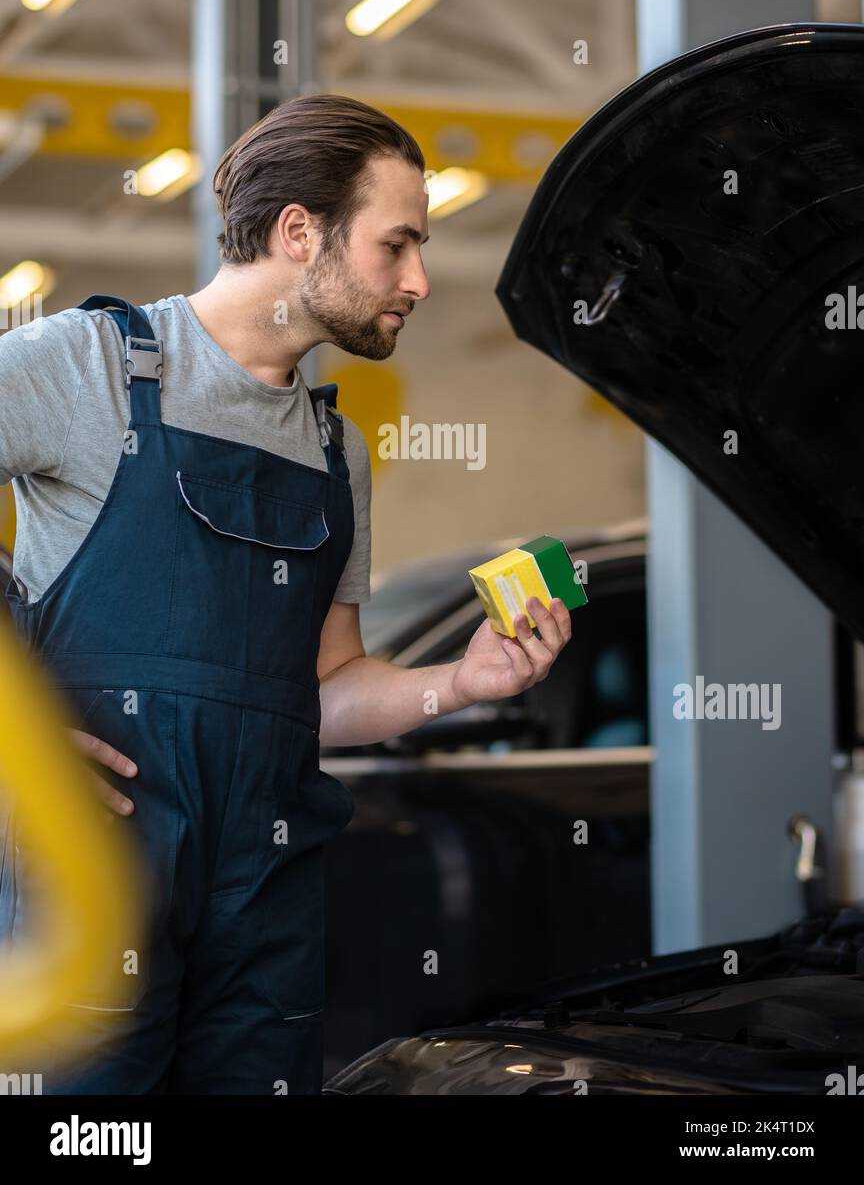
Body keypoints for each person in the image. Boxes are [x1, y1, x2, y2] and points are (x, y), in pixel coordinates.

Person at [0, 94, 572, 1094]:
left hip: (264, 908)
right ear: (299, 231)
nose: (421, 281)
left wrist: (462, 683)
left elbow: (325, 688)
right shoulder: (89, 369)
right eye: (396, 246)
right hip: (87, 900)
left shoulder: (332, 450)